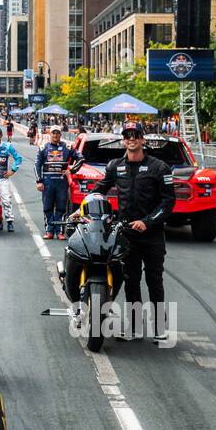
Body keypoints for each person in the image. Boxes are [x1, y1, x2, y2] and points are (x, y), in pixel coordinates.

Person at [93, 123, 175, 340]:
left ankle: (159, 329)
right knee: (131, 280)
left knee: (154, 280)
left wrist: (147, 222)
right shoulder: (115, 166)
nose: (131, 139)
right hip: (127, 233)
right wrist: (85, 207)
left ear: (143, 139)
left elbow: (168, 202)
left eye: (136, 135)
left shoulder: (160, 167)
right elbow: (99, 190)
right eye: (127, 136)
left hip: (152, 234)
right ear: (123, 140)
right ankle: (135, 328)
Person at [35, 125, 81, 240]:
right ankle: (49, 231)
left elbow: (81, 158)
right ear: (50, 134)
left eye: (57, 133)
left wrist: (71, 170)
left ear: (61, 134)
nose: (55, 135)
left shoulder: (67, 147)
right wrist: (39, 181)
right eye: (53, 133)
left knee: (61, 207)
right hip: (47, 182)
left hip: (61, 182)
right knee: (47, 207)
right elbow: (37, 165)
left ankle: (60, 231)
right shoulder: (43, 148)